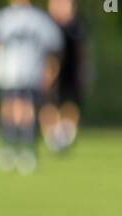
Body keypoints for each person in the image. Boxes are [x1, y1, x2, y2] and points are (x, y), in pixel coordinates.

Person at [0, 0, 62, 174]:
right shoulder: (4, 17)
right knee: (9, 109)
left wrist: (50, 71)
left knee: (27, 110)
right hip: (8, 73)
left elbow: (53, 48)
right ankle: (9, 149)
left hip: (31, 73)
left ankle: (27, 151)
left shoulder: (39, 19)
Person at [40, 0, 89, 153]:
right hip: (52, 74)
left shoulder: (77, 26)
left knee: (71, 104)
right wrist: (49, 71)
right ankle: (53, 138)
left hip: (71, 73)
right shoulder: (47, 25)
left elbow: (83, 52)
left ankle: (66, 138)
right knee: (49, 105)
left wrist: (85, 71)